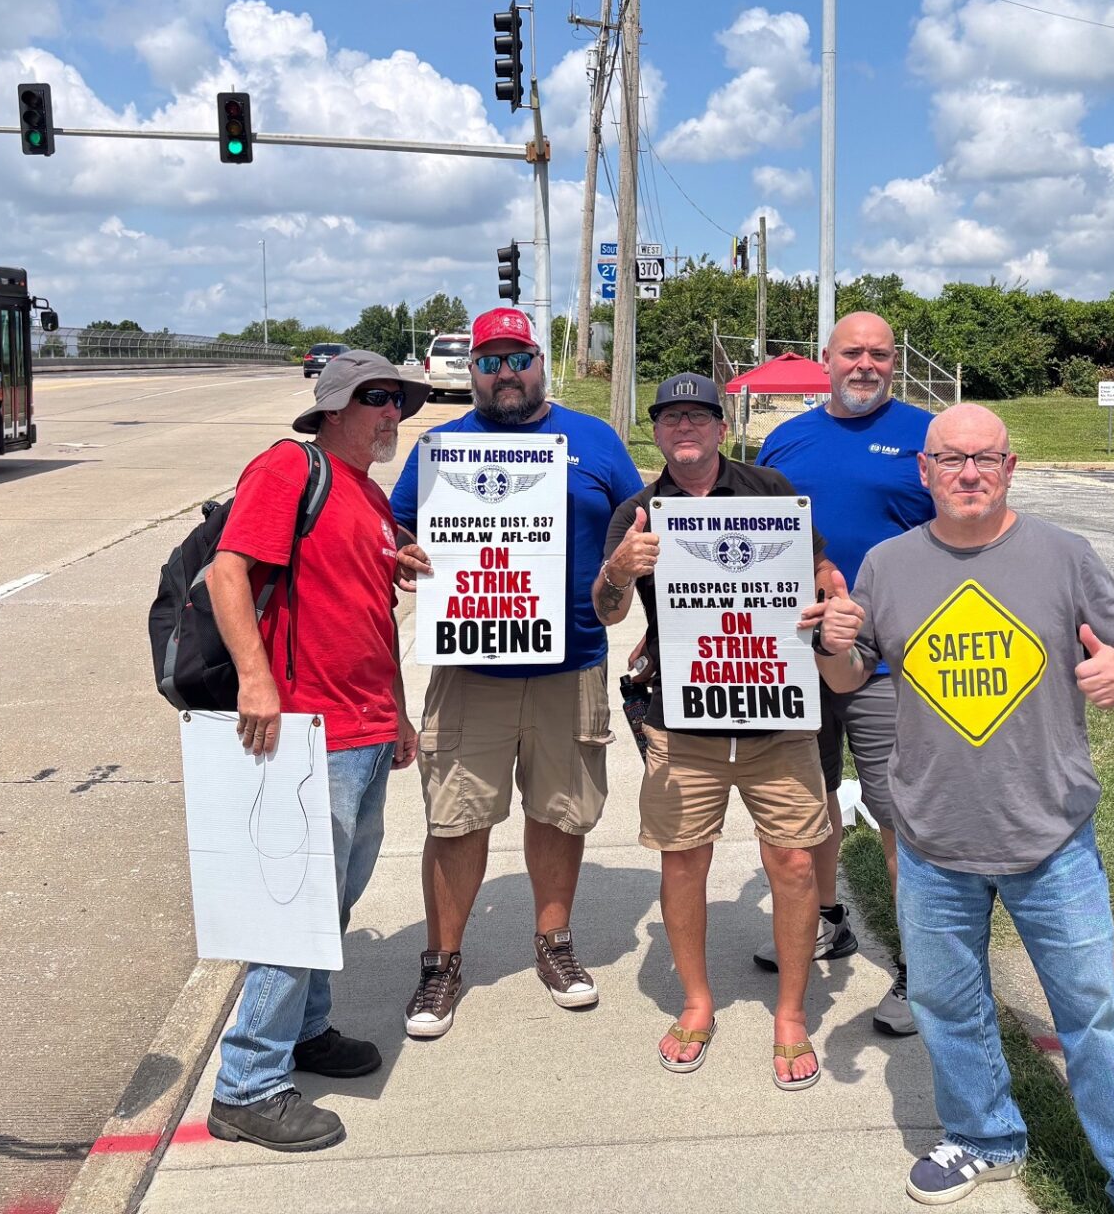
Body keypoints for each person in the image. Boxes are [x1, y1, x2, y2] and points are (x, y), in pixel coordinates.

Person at [805, 403, 1114, 1209]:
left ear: (1011, 466)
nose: (968, 473)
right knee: (946, 1003)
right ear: (924, 470)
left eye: (985, 458)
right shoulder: (886, 563)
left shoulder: (1063, 555)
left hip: (1052, 838)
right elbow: (849, 679)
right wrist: (832, 645)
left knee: (1094, 1016)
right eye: (949, 459)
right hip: (933, 838)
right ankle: (984, 1137)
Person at [388, 307, 644, 1037]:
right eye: (489, 361)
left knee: (560, 812)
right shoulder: (442, 445)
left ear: (541, 361)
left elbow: (634, 526)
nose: (505, 373)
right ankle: (441, 962)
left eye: (517, 358)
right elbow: (396, 527)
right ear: (472, 370)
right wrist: (405, 552)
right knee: (456, 817)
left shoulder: (593, 441)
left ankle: (554, 944)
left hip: (574, 663)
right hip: (473, 669)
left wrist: (648, 616)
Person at [202, 351, 428, 1152]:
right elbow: (228, 574)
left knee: (334, 902)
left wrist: (398, 712)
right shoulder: (289, 468)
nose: (392, 413)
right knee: (294, 906)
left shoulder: (367, 498)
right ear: (334, 405)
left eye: (400, 401)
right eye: (376, 399)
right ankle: (247, 1084)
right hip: (306, 731)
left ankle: (308, 1031)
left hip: (365, 729)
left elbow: (370, 618)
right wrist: (257, 682)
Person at [594, 372, 836, 1091]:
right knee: (683, 862)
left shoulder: (770, 491)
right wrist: (617, 568)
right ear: (658, 432)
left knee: (793, 864)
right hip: (683, 719)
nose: (685, 428)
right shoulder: (638, 513)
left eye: (699, 415)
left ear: (721, 427)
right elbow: (607, 612)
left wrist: (834, 590)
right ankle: (698, 1004)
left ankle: (791, 1013)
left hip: (775, 715)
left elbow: (820, 567)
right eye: (670, 418)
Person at [752, 310, 933, 1036]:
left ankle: (923, 971)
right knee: (809, 799)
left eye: (880, 354)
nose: (865, 364)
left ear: (895, 362)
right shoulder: (785, 438)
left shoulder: (926, 437)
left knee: (898, 815)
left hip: (892, 660)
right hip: (796, 655)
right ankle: (828, 920)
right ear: (826, 359)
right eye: (852, 352)